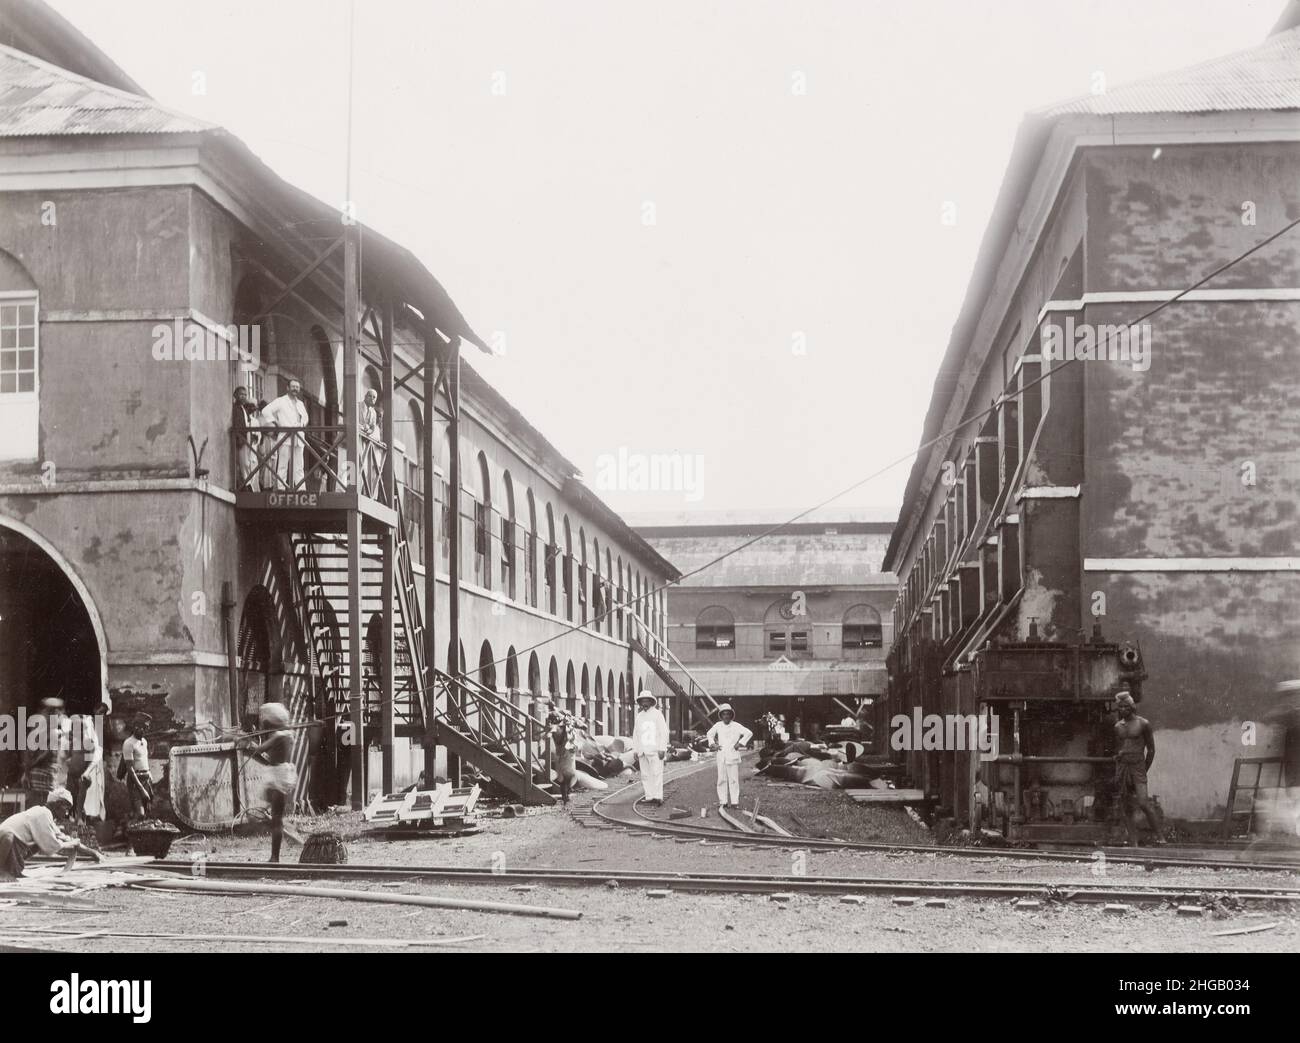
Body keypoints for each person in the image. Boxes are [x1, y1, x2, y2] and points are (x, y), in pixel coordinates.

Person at [239, 702, 301, 862]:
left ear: (271, 722)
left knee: (276, 819)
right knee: (275, 816)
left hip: (279, 776)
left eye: (264, 722)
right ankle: (278, 833)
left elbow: (260, 749)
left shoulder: (280, 736)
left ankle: (275, 856)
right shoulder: (286, 734)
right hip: (278, 774)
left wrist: (244, 741)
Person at [0, 787, 103, 880]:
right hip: (4, 841)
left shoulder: (47, 817)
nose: (66, 813)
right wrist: (72, 844)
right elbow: (52, 847)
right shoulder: (42, 814)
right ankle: (1, 871)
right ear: (57, 805)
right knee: (8, 836)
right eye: (66, 808)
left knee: (37, 844)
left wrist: (93, 852)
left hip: (11, 847)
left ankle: (11, 870)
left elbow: (65, 839)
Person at [1114, 691, 1165, 846]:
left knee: (1143, 803)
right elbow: (1118, 747)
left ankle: (1160, 837)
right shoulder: (1117, 726)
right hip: (1123, 767)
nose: (1123, 709)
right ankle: (1133, 840)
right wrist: (1118, 756)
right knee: (1124, 805)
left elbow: (1151, 749)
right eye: (1120, 707)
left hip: (1138, 766)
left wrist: (1145, 768)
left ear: (1132, 706)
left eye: (1126, 706)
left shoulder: (1143, 724)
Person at [261, 378, 309, 490]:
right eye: (293, 386)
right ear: (288, 388)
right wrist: (276, 422)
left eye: (297, 387)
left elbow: (306, 418)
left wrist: (301, 424)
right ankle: (281, 487)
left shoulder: (301, 404)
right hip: (285, 437)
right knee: (283, 464)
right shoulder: (281, 401)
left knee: (299, 465)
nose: (295, 389)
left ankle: (301, 488)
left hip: (299, 437)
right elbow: (265, 411)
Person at [706, 704, 754, 809]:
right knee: (721, 779)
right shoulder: (718, 725)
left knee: (733, 779)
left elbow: (749, 733)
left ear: (731, 715)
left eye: (728, 714)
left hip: (732, 755)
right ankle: (723, 801)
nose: (726, 716)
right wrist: (713, 744)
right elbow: (709, 734)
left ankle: (734, 802)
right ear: (721, 715)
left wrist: (740, 743)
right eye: (724, 714)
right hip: (721, 755)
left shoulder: (736, 725)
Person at [631, 691, 668, 806]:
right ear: (640, 703)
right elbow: (636, 734)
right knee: (645, 775)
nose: (645, 703)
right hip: (642, 750)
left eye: (647, 701)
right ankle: (649, 796)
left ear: (651, 702)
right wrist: (635, 750)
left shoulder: (657, 714)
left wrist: (662, 748)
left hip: (655, 750)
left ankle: (658, 797)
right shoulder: (639, 716)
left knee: (656, 773)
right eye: (642, 701)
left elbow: (664, 732)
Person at [118, 716, 154, 821]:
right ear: (136, 727)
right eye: (143, 727)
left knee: (147, 814)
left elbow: (144, 760)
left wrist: (150, 775)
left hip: (146, 779)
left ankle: (143, 837)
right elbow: (130, 769)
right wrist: (142, 790)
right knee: (140, 814)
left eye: (147, 727)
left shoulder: (144, 741)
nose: (145, 730)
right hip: (135, 781)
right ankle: (129, 834)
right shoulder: (128, 743)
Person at [232, 385, 261, 490]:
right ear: (236, 395)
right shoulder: (235, 408)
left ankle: (248, 483)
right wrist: (239, 438)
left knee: (248, 462)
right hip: (241, 438)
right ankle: (246, 484)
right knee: (243, 461)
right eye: (241, 394)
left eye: (245, 395)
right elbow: (237, 423)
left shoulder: (243, 409)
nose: (243, 397)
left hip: (246, 436)